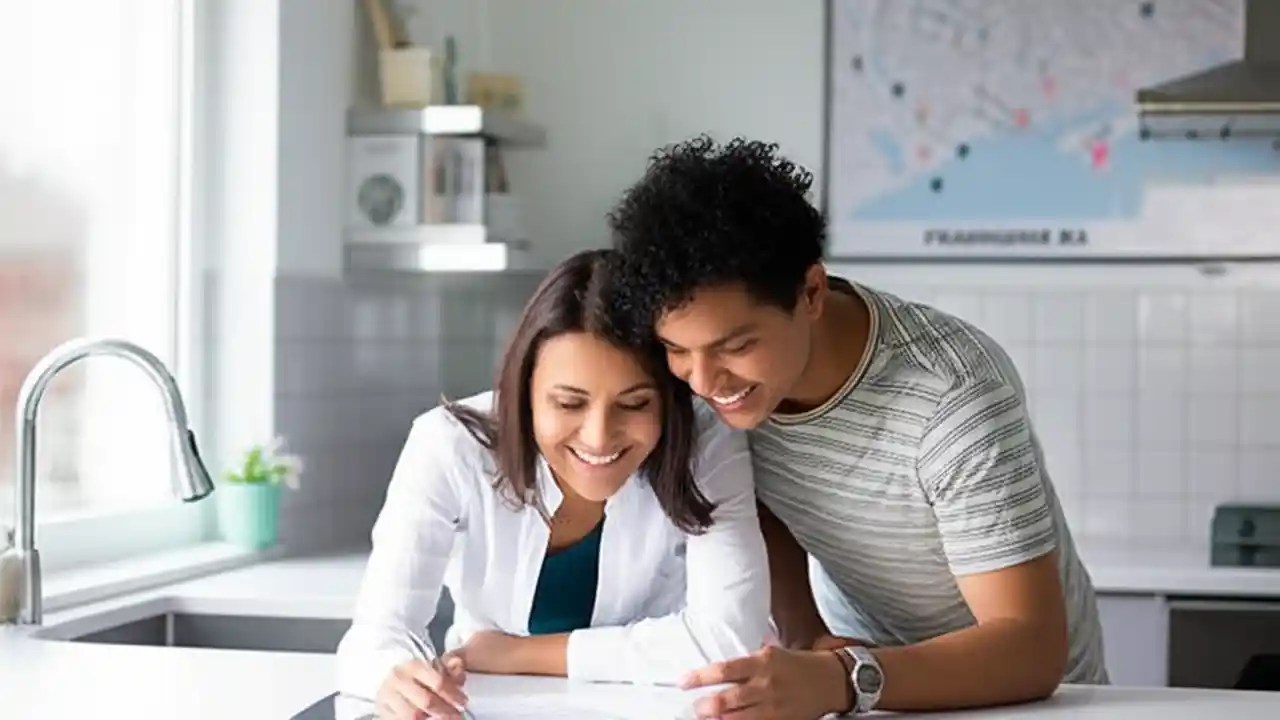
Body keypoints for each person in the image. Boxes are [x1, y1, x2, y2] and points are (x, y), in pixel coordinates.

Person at [607, 137, 1107, 719]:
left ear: (812, 292)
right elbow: (763, 500)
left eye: (737, 346)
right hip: (864, 682)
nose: (703, 380)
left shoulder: (952, 395)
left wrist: (844, 677)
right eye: (676, 350)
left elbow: (1030, 648)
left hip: (1025, 698)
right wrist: (810, 637)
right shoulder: (725, 392)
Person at [334, 249, 771, 719]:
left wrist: (517, 654)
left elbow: (726, 640)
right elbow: (375, 636)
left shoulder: (704, 441)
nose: (599, 436)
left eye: (634, 404)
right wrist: (396, 675)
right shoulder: (448, 445)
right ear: (524, 393)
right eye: (568, 404)